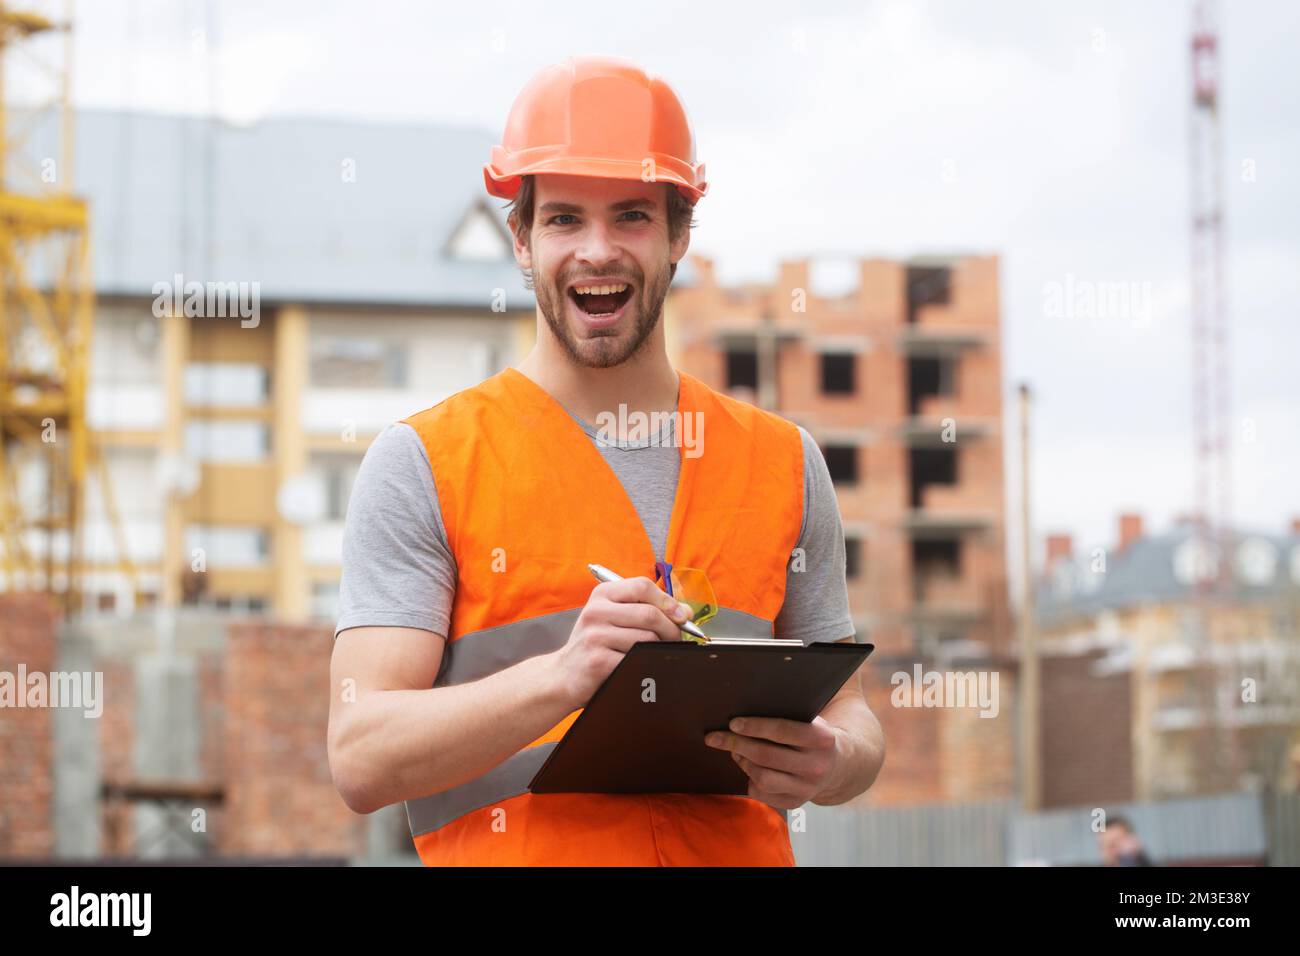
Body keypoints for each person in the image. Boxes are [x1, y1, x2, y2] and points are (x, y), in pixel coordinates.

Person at [327, 55, 885, 866]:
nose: (597, 251)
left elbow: (855, 718)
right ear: (520, 238)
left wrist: (834, 762)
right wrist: (564, 677)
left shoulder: (783, 463)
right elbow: (360, 753)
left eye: (630, 216)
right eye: (562, 221)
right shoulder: (428, 463)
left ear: (678, 236)